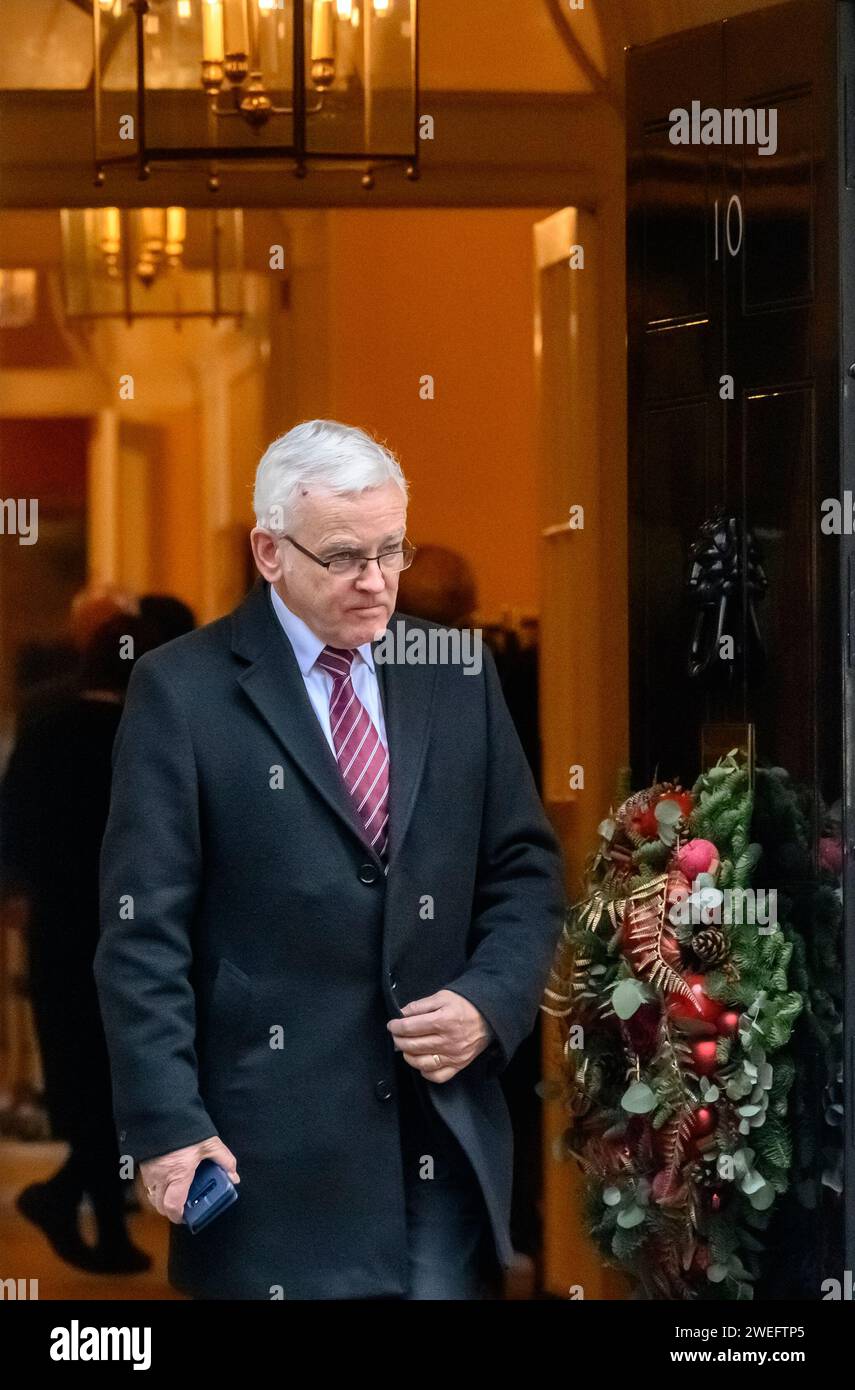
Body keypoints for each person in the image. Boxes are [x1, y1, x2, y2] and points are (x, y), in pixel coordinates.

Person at [93, 419, 566, 1300]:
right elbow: (140, 935)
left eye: (393, 550)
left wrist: (488, 1002)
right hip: (263, 1153)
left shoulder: (457, 670)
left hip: (440, 1142)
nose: (377, 580)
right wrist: (166, 1125)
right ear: (269, 552)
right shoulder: (181, 690)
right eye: (346, 556)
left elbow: (522, 870)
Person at [2, 613, 160, 1273]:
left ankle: (75, 1203)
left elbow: (11, 822)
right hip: (138, 929)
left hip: (60, 927)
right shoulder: (148, 733)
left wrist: (17, 897)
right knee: (126, 1078)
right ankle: (81, 1208)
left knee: (84, 1075)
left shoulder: (45, 725)